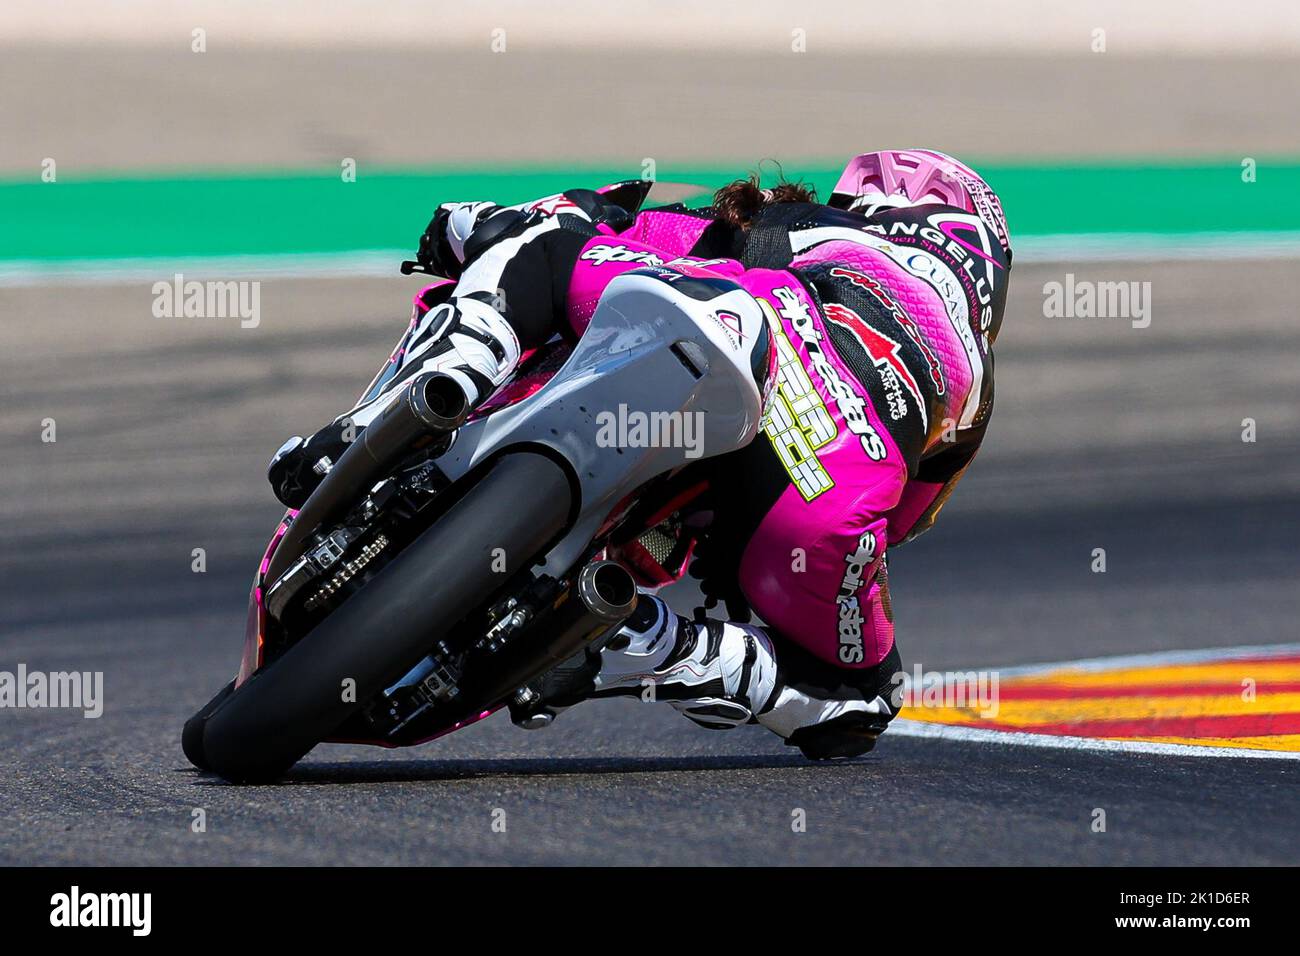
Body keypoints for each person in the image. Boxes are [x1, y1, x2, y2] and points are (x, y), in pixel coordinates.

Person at [269, 149, 1012, 760]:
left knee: (543, 247)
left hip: (745, 326)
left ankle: (416, 396)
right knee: (858, 704)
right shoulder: (971, 396)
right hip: (834, 472)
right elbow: (896, 526)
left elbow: (574, 217)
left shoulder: (809, 225)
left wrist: (461, 228)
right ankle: (648, 641)